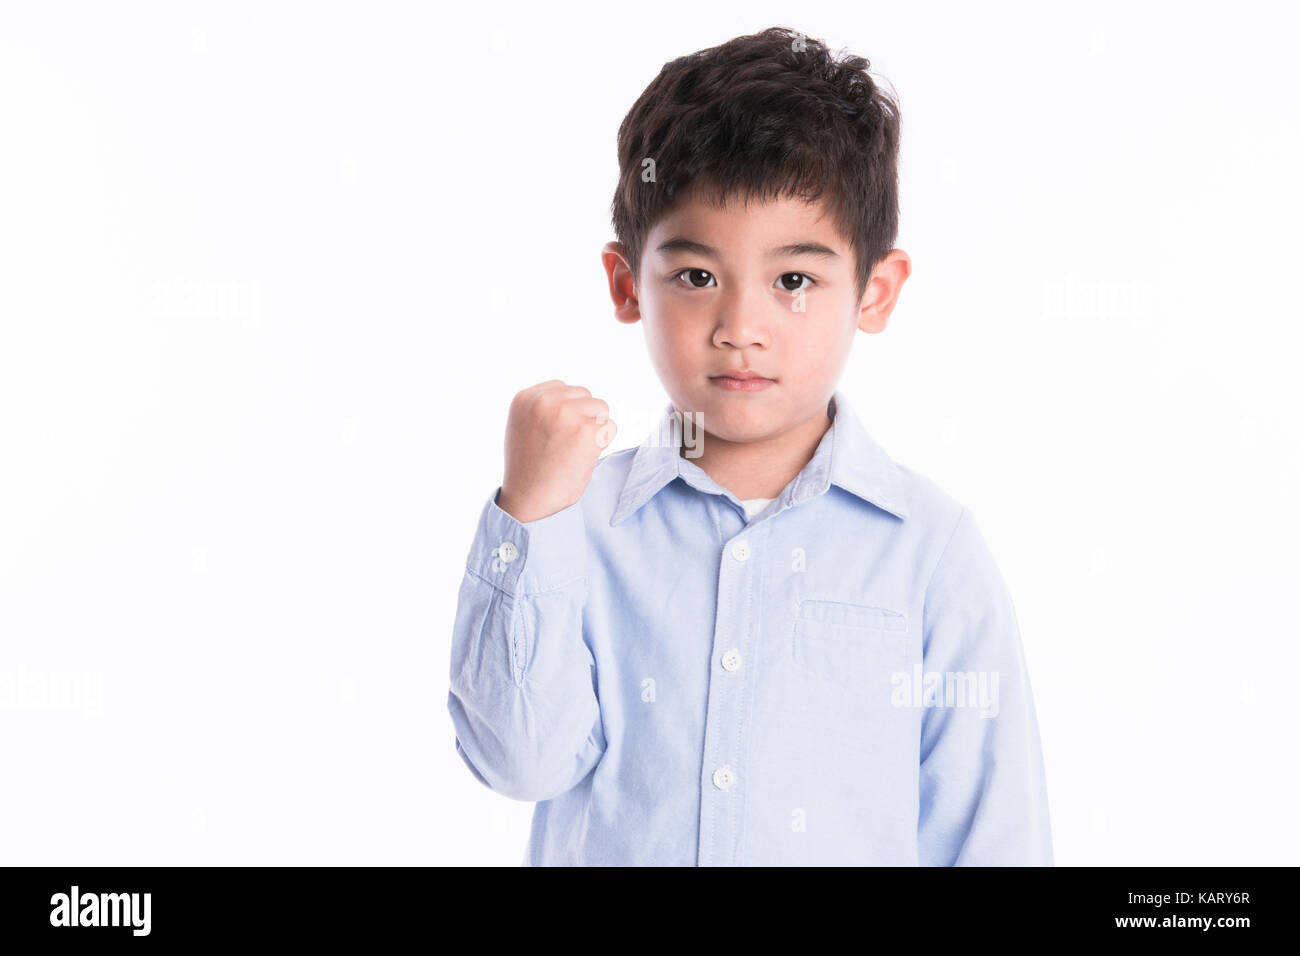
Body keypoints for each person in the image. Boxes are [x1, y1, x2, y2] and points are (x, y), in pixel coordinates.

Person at [447, 25, 1053, 866]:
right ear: (628, 284)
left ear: (874, 292)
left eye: (794, 281)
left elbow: (992, 830)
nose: (740, 330)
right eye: (696, 277)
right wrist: (530, 513)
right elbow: (519, 762)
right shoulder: (574, 523)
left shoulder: (930, 549)